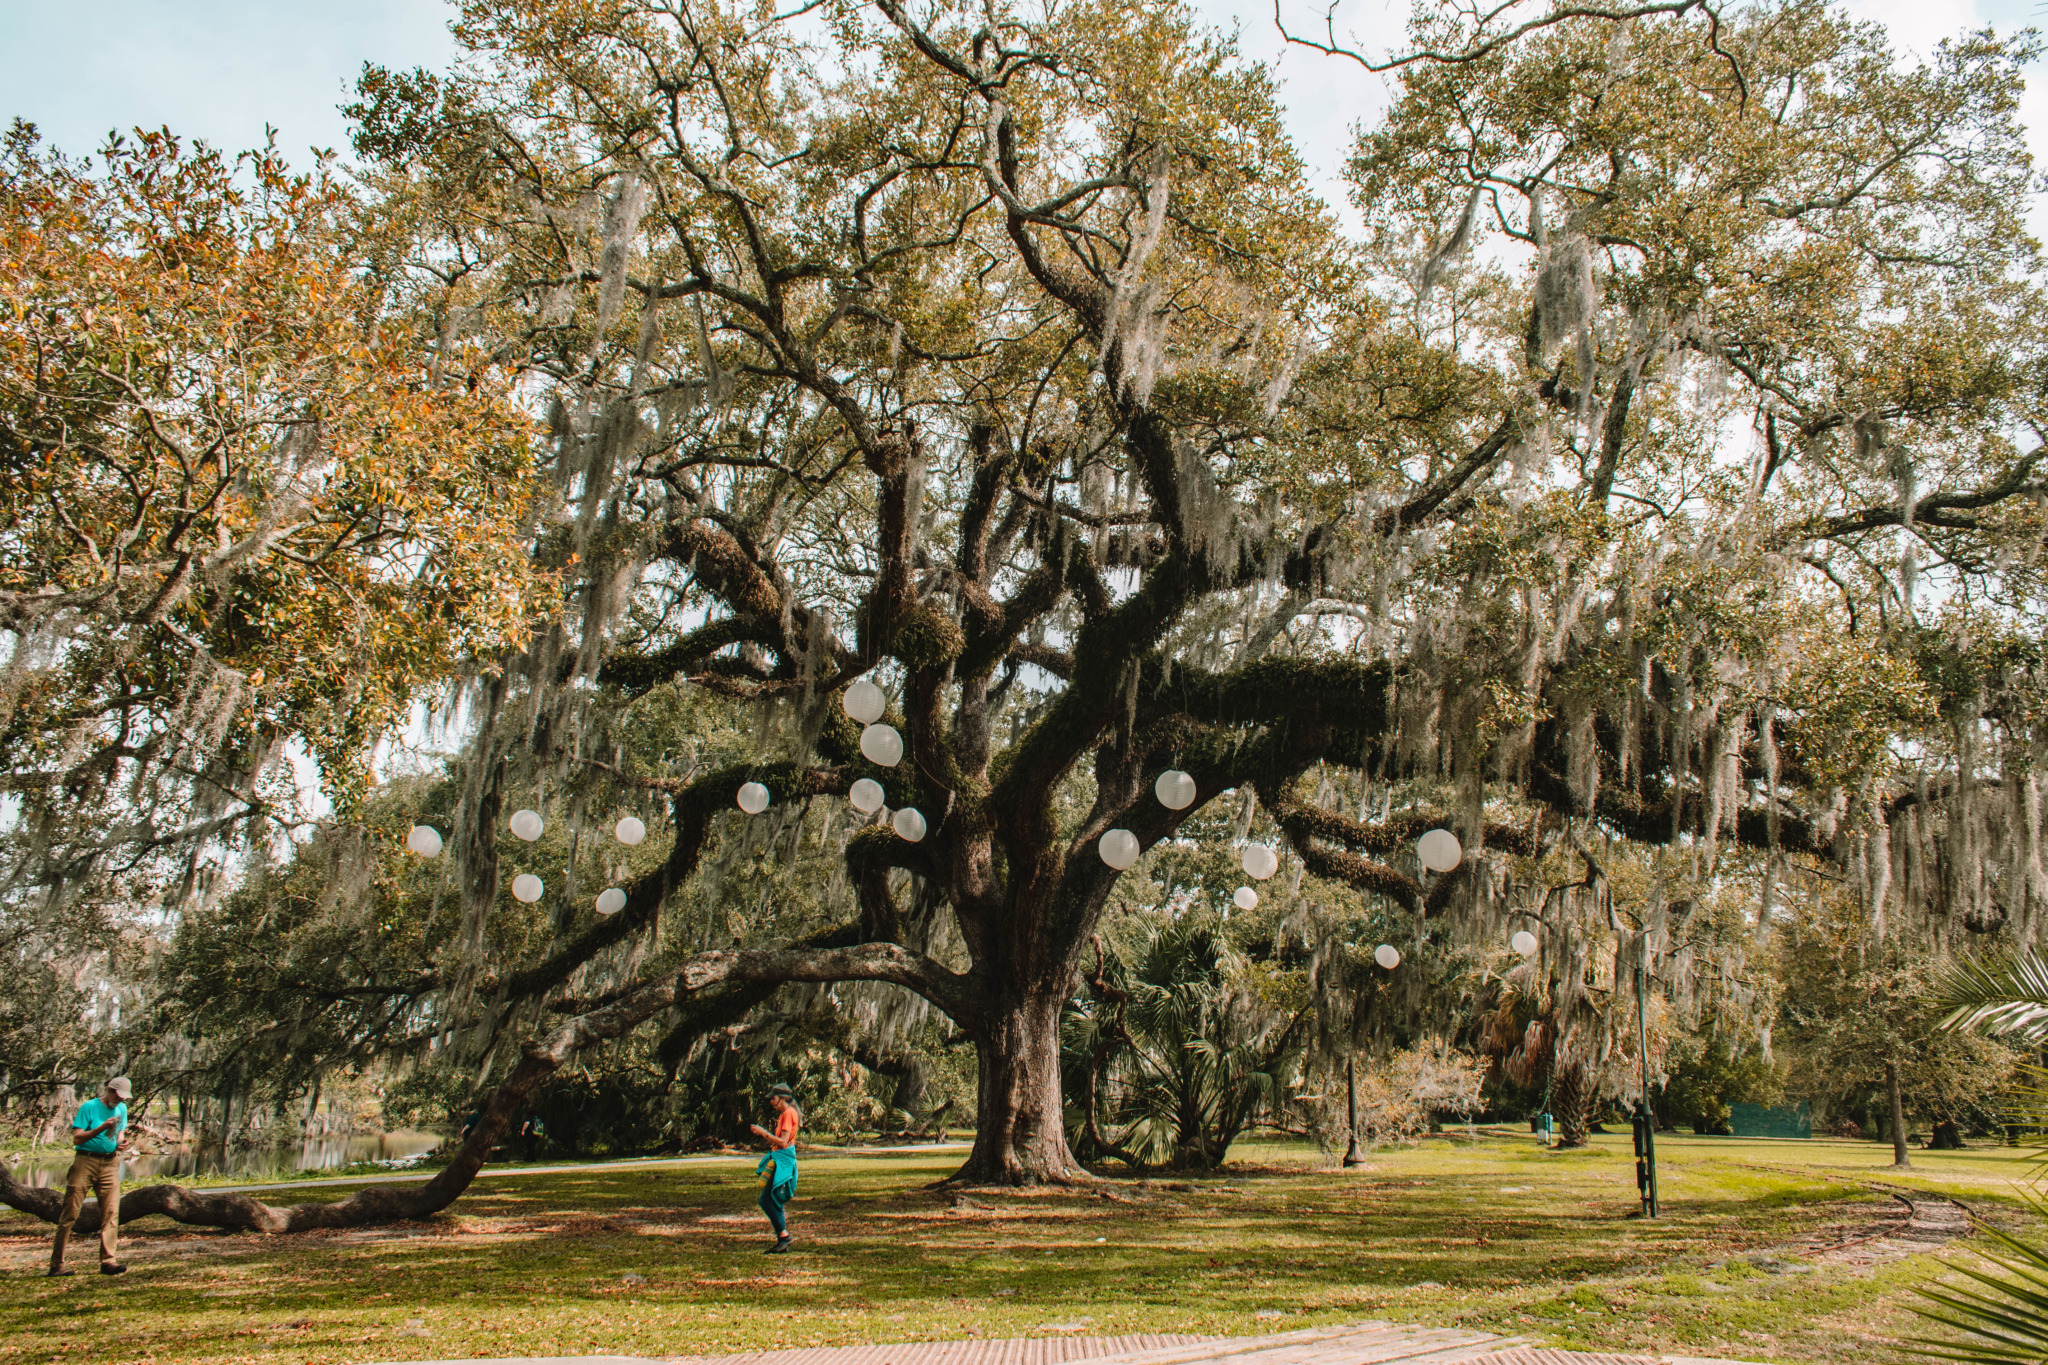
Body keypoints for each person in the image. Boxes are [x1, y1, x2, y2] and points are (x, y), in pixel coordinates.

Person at [50, 1076, 133, 1277]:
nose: (120, 1100)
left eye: (124, 1098)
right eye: (118, 1095)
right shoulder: (89, 1107)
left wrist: (121, 1143)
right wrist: (101, 1128)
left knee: (111, 1213)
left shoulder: (121, 1109)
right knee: (70, 1214)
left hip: (110, 1163)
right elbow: (77, 1138)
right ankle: (57, 1265)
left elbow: (119, 1133)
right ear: (109, 1090)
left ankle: (108, 1261)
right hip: (85, 1162)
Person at [749, 1082, 800, 1254]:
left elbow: (783, 1142)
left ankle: (784, 1236)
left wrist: (763, 1132)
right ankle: (782, 1240)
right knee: (774, 1198)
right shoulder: (785, 1114)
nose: (771, 1101)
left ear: (782, 1099)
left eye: (774, 1098)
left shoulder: (788, 1114)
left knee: (766, 1199)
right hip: (779, 1159)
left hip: (783, 1160)